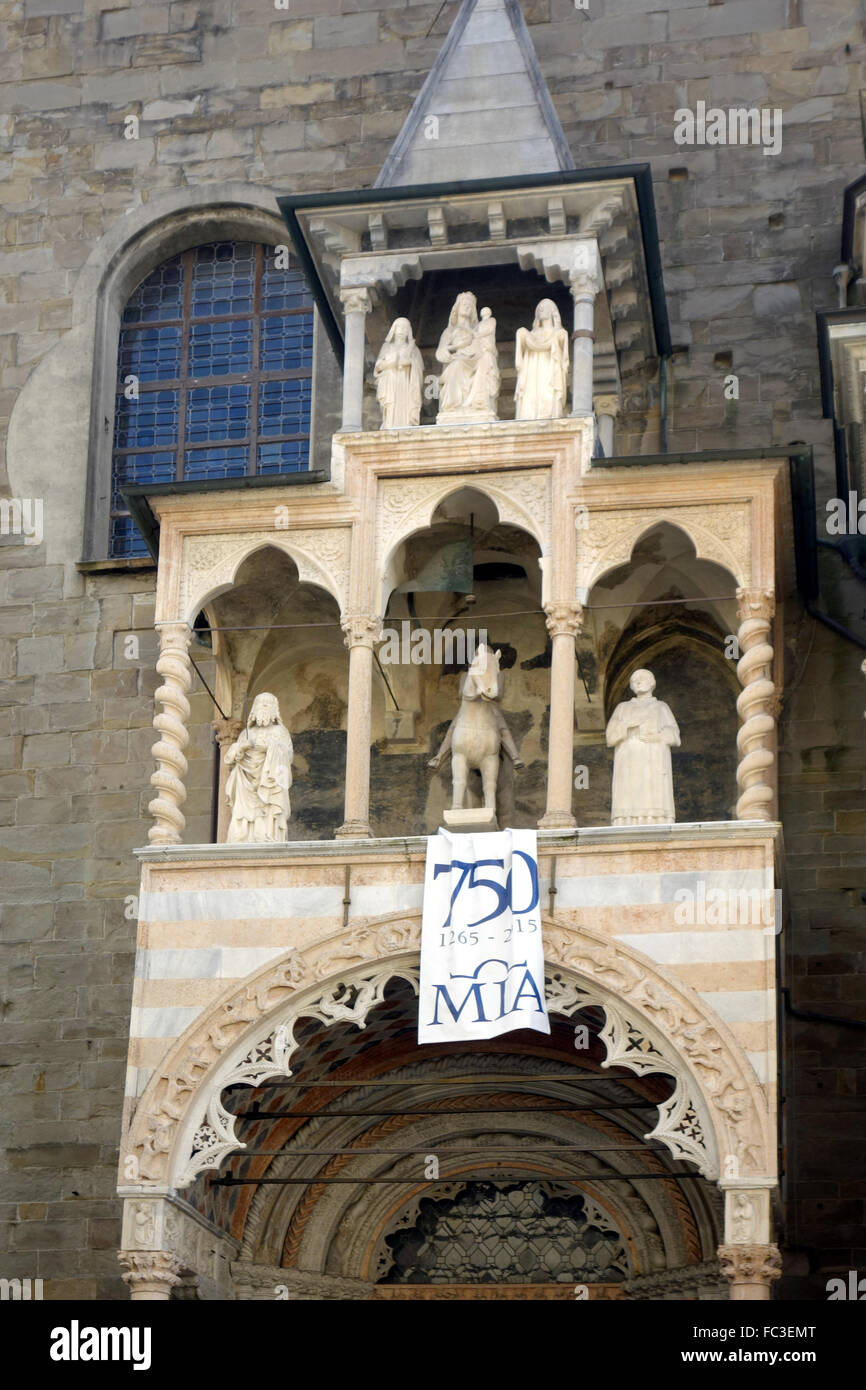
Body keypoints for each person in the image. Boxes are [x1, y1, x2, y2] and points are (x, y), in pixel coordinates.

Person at [605, 669, 680, 824]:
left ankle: (656, 818)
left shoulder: (661, 707)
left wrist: (658, 737)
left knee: (653, 790)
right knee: (629, 791)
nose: (638, 681)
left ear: (652, 683)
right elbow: (610, 737)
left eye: (643, 678)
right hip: (628, 760)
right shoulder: (623, 708)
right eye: (635, 680)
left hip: (654, 757)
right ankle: (626, 819)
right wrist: (626, 725)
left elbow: (674, 734)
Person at [225, 692, 293, 843]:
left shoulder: (280, 732)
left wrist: (269, 748)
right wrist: (242, 747)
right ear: (253, 709)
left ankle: (268, 834)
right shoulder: (246, 733)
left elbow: (287, 756)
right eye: (259, 703)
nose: (263, 706)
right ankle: (243, 837)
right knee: (242, 819)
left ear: (275, 709)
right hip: (245, 782)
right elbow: (231, 760)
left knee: (268, 811)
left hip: (269, 781)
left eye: (267, 704)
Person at [514, 298, 569, 420]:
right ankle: (528, 414)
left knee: (547, 391)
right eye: (539, 308)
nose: (540, 310)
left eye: (544, 307)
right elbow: (525, 344)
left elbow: (562, 345)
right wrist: (521, 335)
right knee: (531, 393)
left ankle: (548, 413)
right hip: (532, 369)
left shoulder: (558, 332)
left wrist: (558, 331)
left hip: (548, 367)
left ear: (552, 311)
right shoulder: (532, 334)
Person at [373, 317, 424, 428]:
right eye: (399, 327)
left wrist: (408, 362)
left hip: (405, 382)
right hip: (390, 381)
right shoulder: (387, 347)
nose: (401, 330)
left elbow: (419, 368)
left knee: (404, 404)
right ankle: (389, 424)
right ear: (394, 330)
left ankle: (406, 423)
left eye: (405, 328)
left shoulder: (413, 349)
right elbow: (378, 366)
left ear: (408, 332)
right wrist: (389, 363)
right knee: (391, 404)